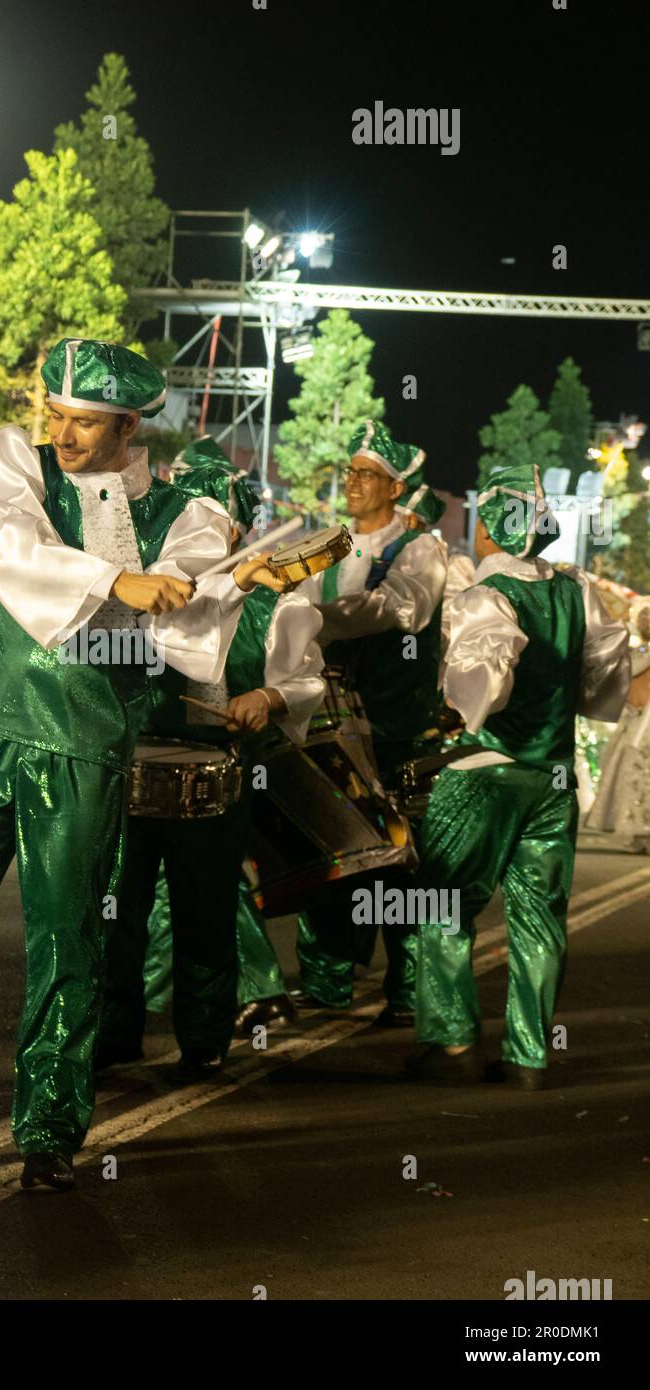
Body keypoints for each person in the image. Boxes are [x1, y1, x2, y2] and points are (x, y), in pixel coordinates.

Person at [0, 338, 295, 1190]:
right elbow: (14, 553)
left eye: (85, 422)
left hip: (86, 747)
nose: (62, 432)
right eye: (56, 413)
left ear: (131, 426)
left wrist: (229, 587)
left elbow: (183, 636)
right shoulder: (10, 463)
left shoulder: (189, 516)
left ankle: (50, 1129)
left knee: (68, 936)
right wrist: (118, 583)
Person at [99, 440, 325, 1074]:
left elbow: (309, 676)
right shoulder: (144, 584)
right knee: (117, 915)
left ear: (238, 526)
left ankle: (204, 1043)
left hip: (214, 778)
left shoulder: (279, 595)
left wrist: (269, 696)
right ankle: (114, 1035)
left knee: (207, 917)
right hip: (128, 770)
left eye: (209, 520)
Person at [406, 463, 630, 1089]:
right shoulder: (575, 589)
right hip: (554, 779)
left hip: (487, 771)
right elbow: (603, 677)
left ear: (496, 527)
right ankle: (530, 1055)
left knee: (444, 903)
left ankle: (452, 1043)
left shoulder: (486, 594)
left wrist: (460, 703)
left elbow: (484, 689)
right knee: (540, 918)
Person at [294, 422, 447, 1026]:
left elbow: (396, 608)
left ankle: (408, 987)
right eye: (352, 471)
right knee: (329, 848)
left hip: (394, 727)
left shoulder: (419, 549)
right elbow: (285, 599)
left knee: (402, 861)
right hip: (328, 726)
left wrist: (314, 620)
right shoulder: (325, 542)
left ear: (395, 485)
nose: (353, 483)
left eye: (367, 475)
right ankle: (328, 978)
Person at [585, 603, 650, 850]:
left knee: (633, 772)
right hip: (637, 722)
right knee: (635, 774)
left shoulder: (636, 655)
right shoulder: (639, 654)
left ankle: (637, 832)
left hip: (636, 722)